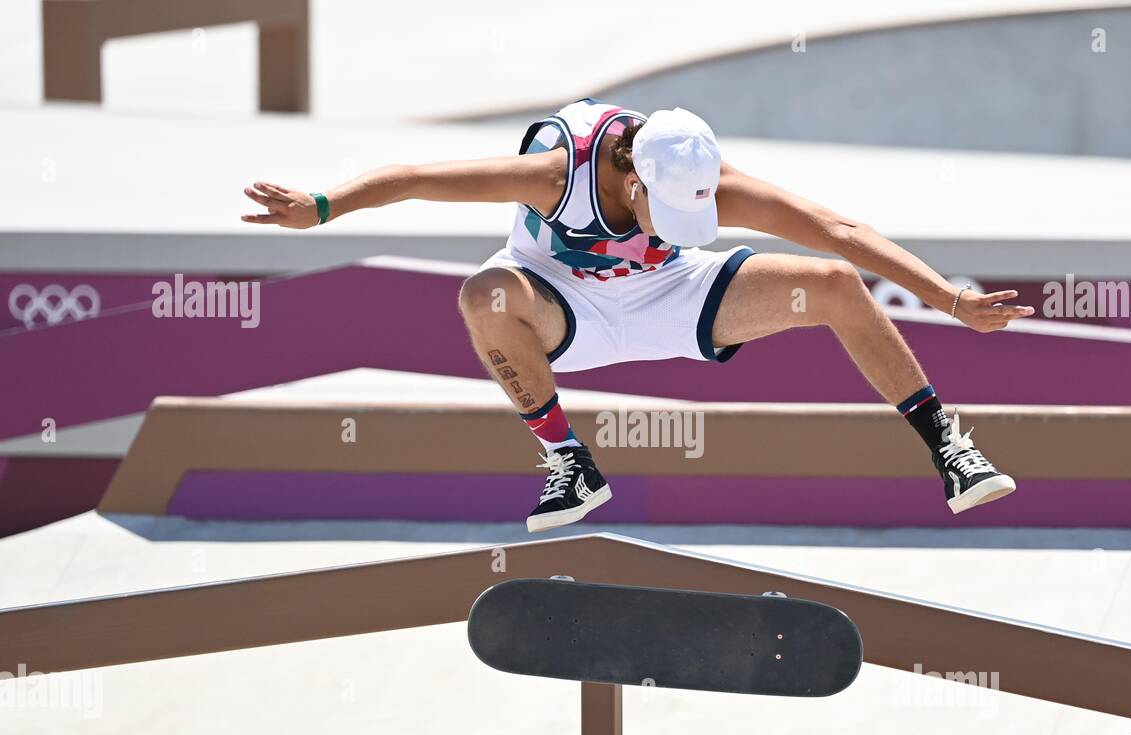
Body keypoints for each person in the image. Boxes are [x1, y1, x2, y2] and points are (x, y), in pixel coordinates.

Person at [242, 99, 1031, 532]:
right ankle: (568, 463)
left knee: (829, 281)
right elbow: (415, 174)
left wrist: (948, 298)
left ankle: (949, 452)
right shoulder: (556, 171)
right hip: (562, 302)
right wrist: (323, 204)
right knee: (480, 296)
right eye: (661, 212)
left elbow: (843, 232)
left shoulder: (696, 167)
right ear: (632, 177)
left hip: (674, 295)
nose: (671, 219)